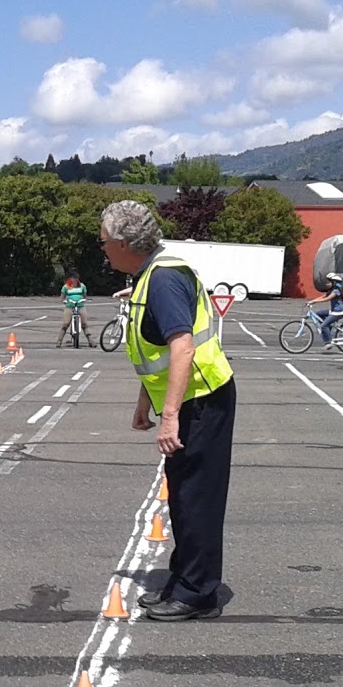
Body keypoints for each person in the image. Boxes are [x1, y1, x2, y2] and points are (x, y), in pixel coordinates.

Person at [100, 200, 236, 622]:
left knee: (197, 499)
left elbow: (181, 347)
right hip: (189, 399)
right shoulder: (149, 274)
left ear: (123, 243)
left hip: (202, 401)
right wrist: (147, 402)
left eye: (103, 242)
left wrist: (171, 415)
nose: (102, 249)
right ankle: (184, 579)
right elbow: (154, 348)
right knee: (182, 497)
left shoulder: (161, 280)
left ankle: (198, 593)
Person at [308, 272, 343, 349]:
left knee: (323, 326)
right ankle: (328, 327)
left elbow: (327, 299)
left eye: (328, 282)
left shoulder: (336, 291)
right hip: (333, 311)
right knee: (318, 314)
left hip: (338, 313)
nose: (326, 284)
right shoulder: (331, 290)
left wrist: (314, 302)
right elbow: (323, 297)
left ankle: (329, 342)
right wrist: (312, 301)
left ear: (334, 283)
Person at [56, 273, 89, 347]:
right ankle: (59, 341)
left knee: (84, 324)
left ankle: (91, 341)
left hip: (80, 306)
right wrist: (64, 301)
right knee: (65, 323)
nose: (75, 280)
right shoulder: (66, 286)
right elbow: (62, 297)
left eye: (76, 279)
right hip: (70, 306)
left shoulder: (82, 286)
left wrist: (83, 300)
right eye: (73, 278)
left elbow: (84, 296)